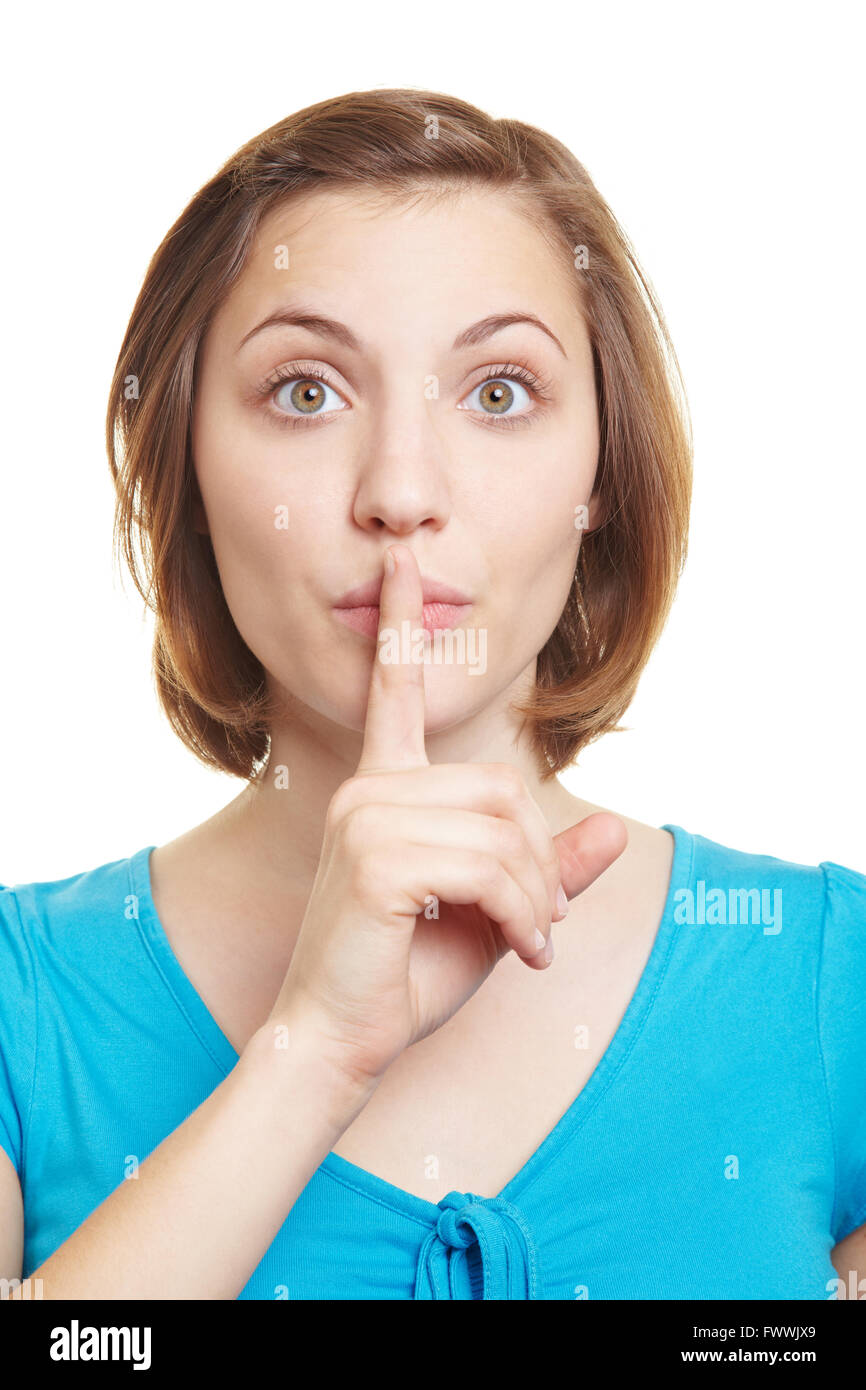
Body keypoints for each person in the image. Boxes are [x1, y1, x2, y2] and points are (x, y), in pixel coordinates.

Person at [1, 89, 864, 1301]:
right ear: (184, 466)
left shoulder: (829, 976)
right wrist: (309, 1053)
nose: (399, 490)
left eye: (498, 390)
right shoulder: (24, 998)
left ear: (601, 473)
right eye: (305, 390)